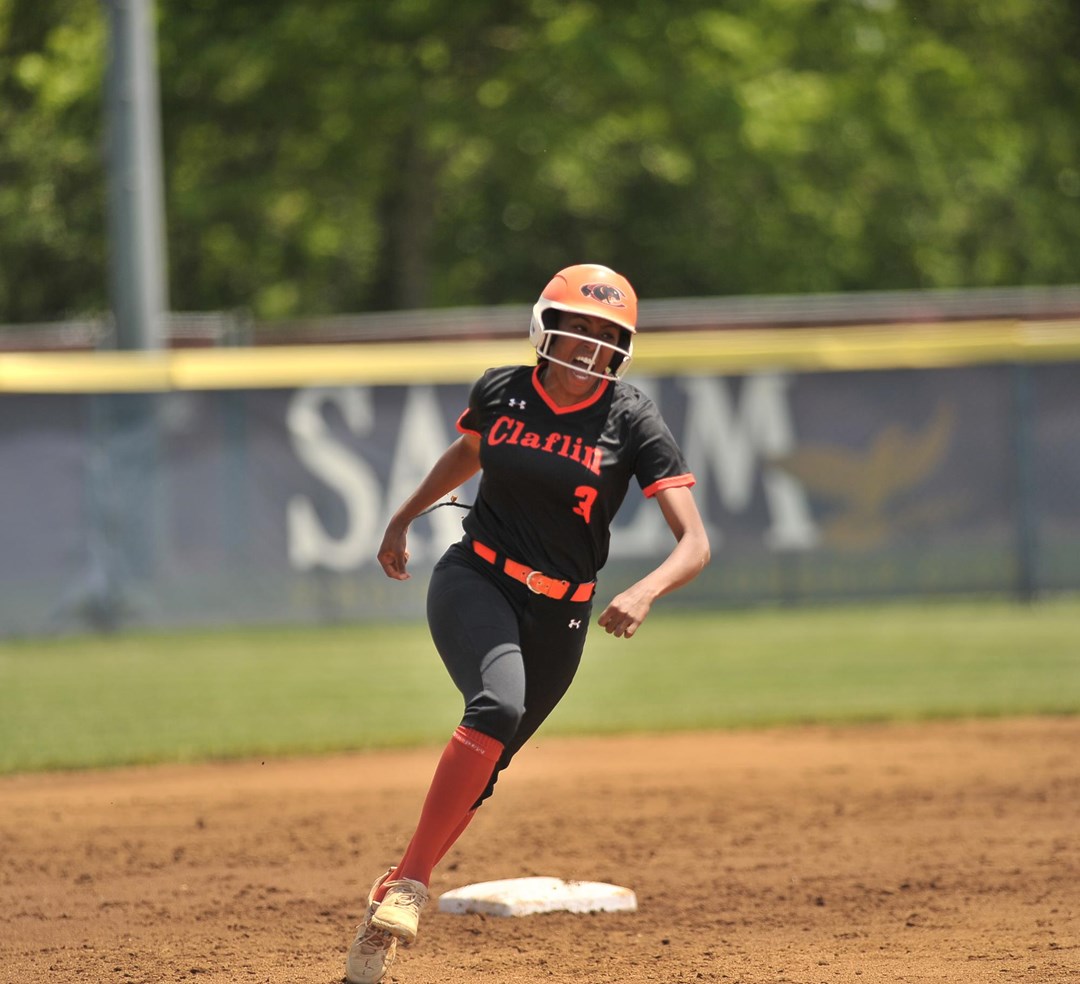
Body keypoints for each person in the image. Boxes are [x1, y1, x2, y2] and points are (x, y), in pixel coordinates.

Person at [344, 263, 711, 984]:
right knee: (496, 705)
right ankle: (411, 885)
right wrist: (404, 515)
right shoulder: (502, 389)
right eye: (577, 327)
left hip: (563, 614)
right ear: (547, 326)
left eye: (607, 336)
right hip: (475, 577)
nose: (589, 346)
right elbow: (470, 452)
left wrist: (646, 591)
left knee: (487, 768)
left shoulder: (630, 419)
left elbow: (695, 542)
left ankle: (387, 895)